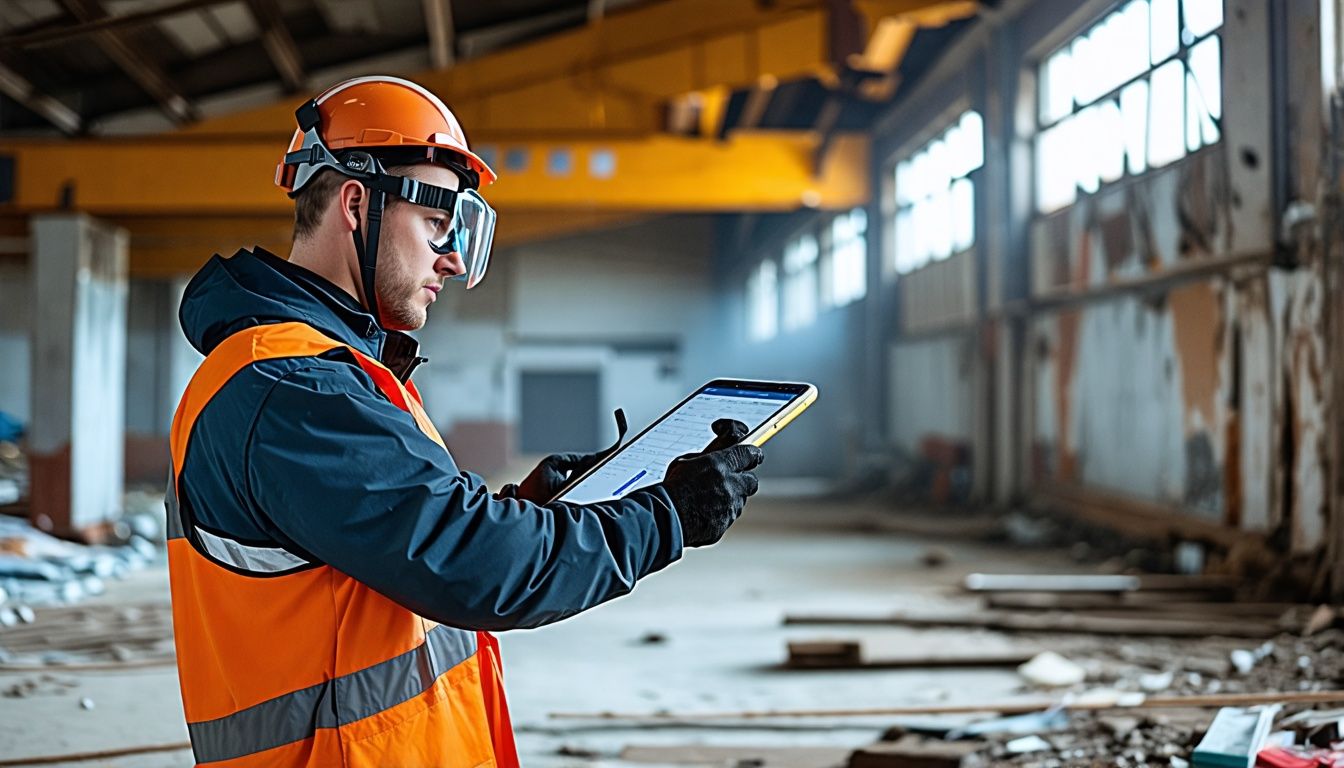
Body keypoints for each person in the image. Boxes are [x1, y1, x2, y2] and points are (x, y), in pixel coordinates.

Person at [164, 75, 764, 768]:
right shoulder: (296, 385)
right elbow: (472, 569)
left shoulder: (316, 368)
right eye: (435, 225)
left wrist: (529, 508)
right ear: (356, 205)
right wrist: (667, 518)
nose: (449, 259)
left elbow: (389, 546)